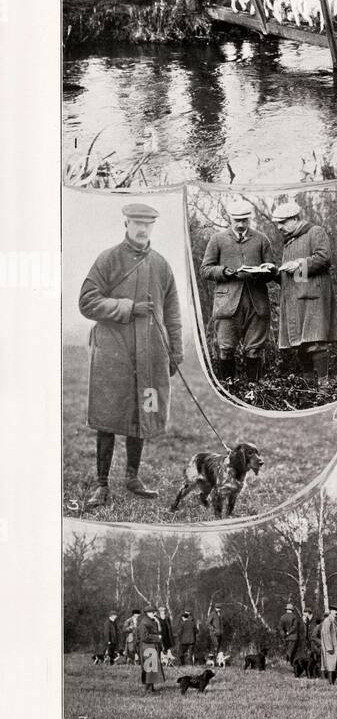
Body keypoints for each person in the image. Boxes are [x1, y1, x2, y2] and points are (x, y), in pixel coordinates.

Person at [79, 202, 183, 509]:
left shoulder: (162, 265)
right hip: (113, 354)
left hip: (150, 356)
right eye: (136, 223)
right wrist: (127, 307)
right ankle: (101, 484)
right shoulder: (108, 259)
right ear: (125, 223)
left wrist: (175, 353)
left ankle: (133, 477)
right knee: (107, 418)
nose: (142, 229)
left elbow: (173, 314)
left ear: (153, 227)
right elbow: (86, 302)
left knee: (144, 411)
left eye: (147, 224)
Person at [201, 197, 277, 384]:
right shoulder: (217, 239)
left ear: (249, 219)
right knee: (226, 349)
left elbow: (272, 269)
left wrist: (263, 273)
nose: (241, 224)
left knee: (255, 349)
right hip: (227, 304)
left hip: (256, 302)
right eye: (237, 220)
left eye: (245, 220)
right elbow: (205, 269)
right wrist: (225, 272)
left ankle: (254, 392)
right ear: (230, 219)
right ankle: (229, 390)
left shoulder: (261, 239)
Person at [270, 196, 337, 392]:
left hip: (314, 299)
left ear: (295, 218)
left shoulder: (315, 232)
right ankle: (309, 389)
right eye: (277, 224)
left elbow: (324, 259)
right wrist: (275, 272)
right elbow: (296, 277)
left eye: (282, 223)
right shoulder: (289, 242)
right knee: (300, 345)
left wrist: (299, 264)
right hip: (296, 299)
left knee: (316, 343)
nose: (279, 228)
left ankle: (324, 387)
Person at [137, 606, 163, 693]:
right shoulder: (144, 623)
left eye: (154, 612)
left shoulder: (151, 621)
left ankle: (151, 688)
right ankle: (147, 690)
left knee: (152, 669)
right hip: (147, 647)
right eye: (152, 612)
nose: (154, 614)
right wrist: (157, 637)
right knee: (148, 669)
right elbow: (144, 637)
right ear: (147, 613)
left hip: (151, 647)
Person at [278, 600, 304, 676]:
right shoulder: (294, 617)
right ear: (292, 610)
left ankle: (289, 665)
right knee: (292, 652)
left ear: (286, 609)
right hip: (294, 637)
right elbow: (295, 627)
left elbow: (280, 627)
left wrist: (284, 634)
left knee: (289, 650)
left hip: (286, 638)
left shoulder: (282, 617)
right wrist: (289, 632)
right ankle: (290, 665)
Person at [320, 606, 337, 684]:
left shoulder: (333, 621)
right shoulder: (327, 621)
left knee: (333, 664)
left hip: (334, 646)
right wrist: (329, 647)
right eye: (334, 611)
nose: (336, 613)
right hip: (331, 647)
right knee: (331, 665)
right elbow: (326, 634)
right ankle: (331, 682)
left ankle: (332, 681)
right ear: (330, 611)